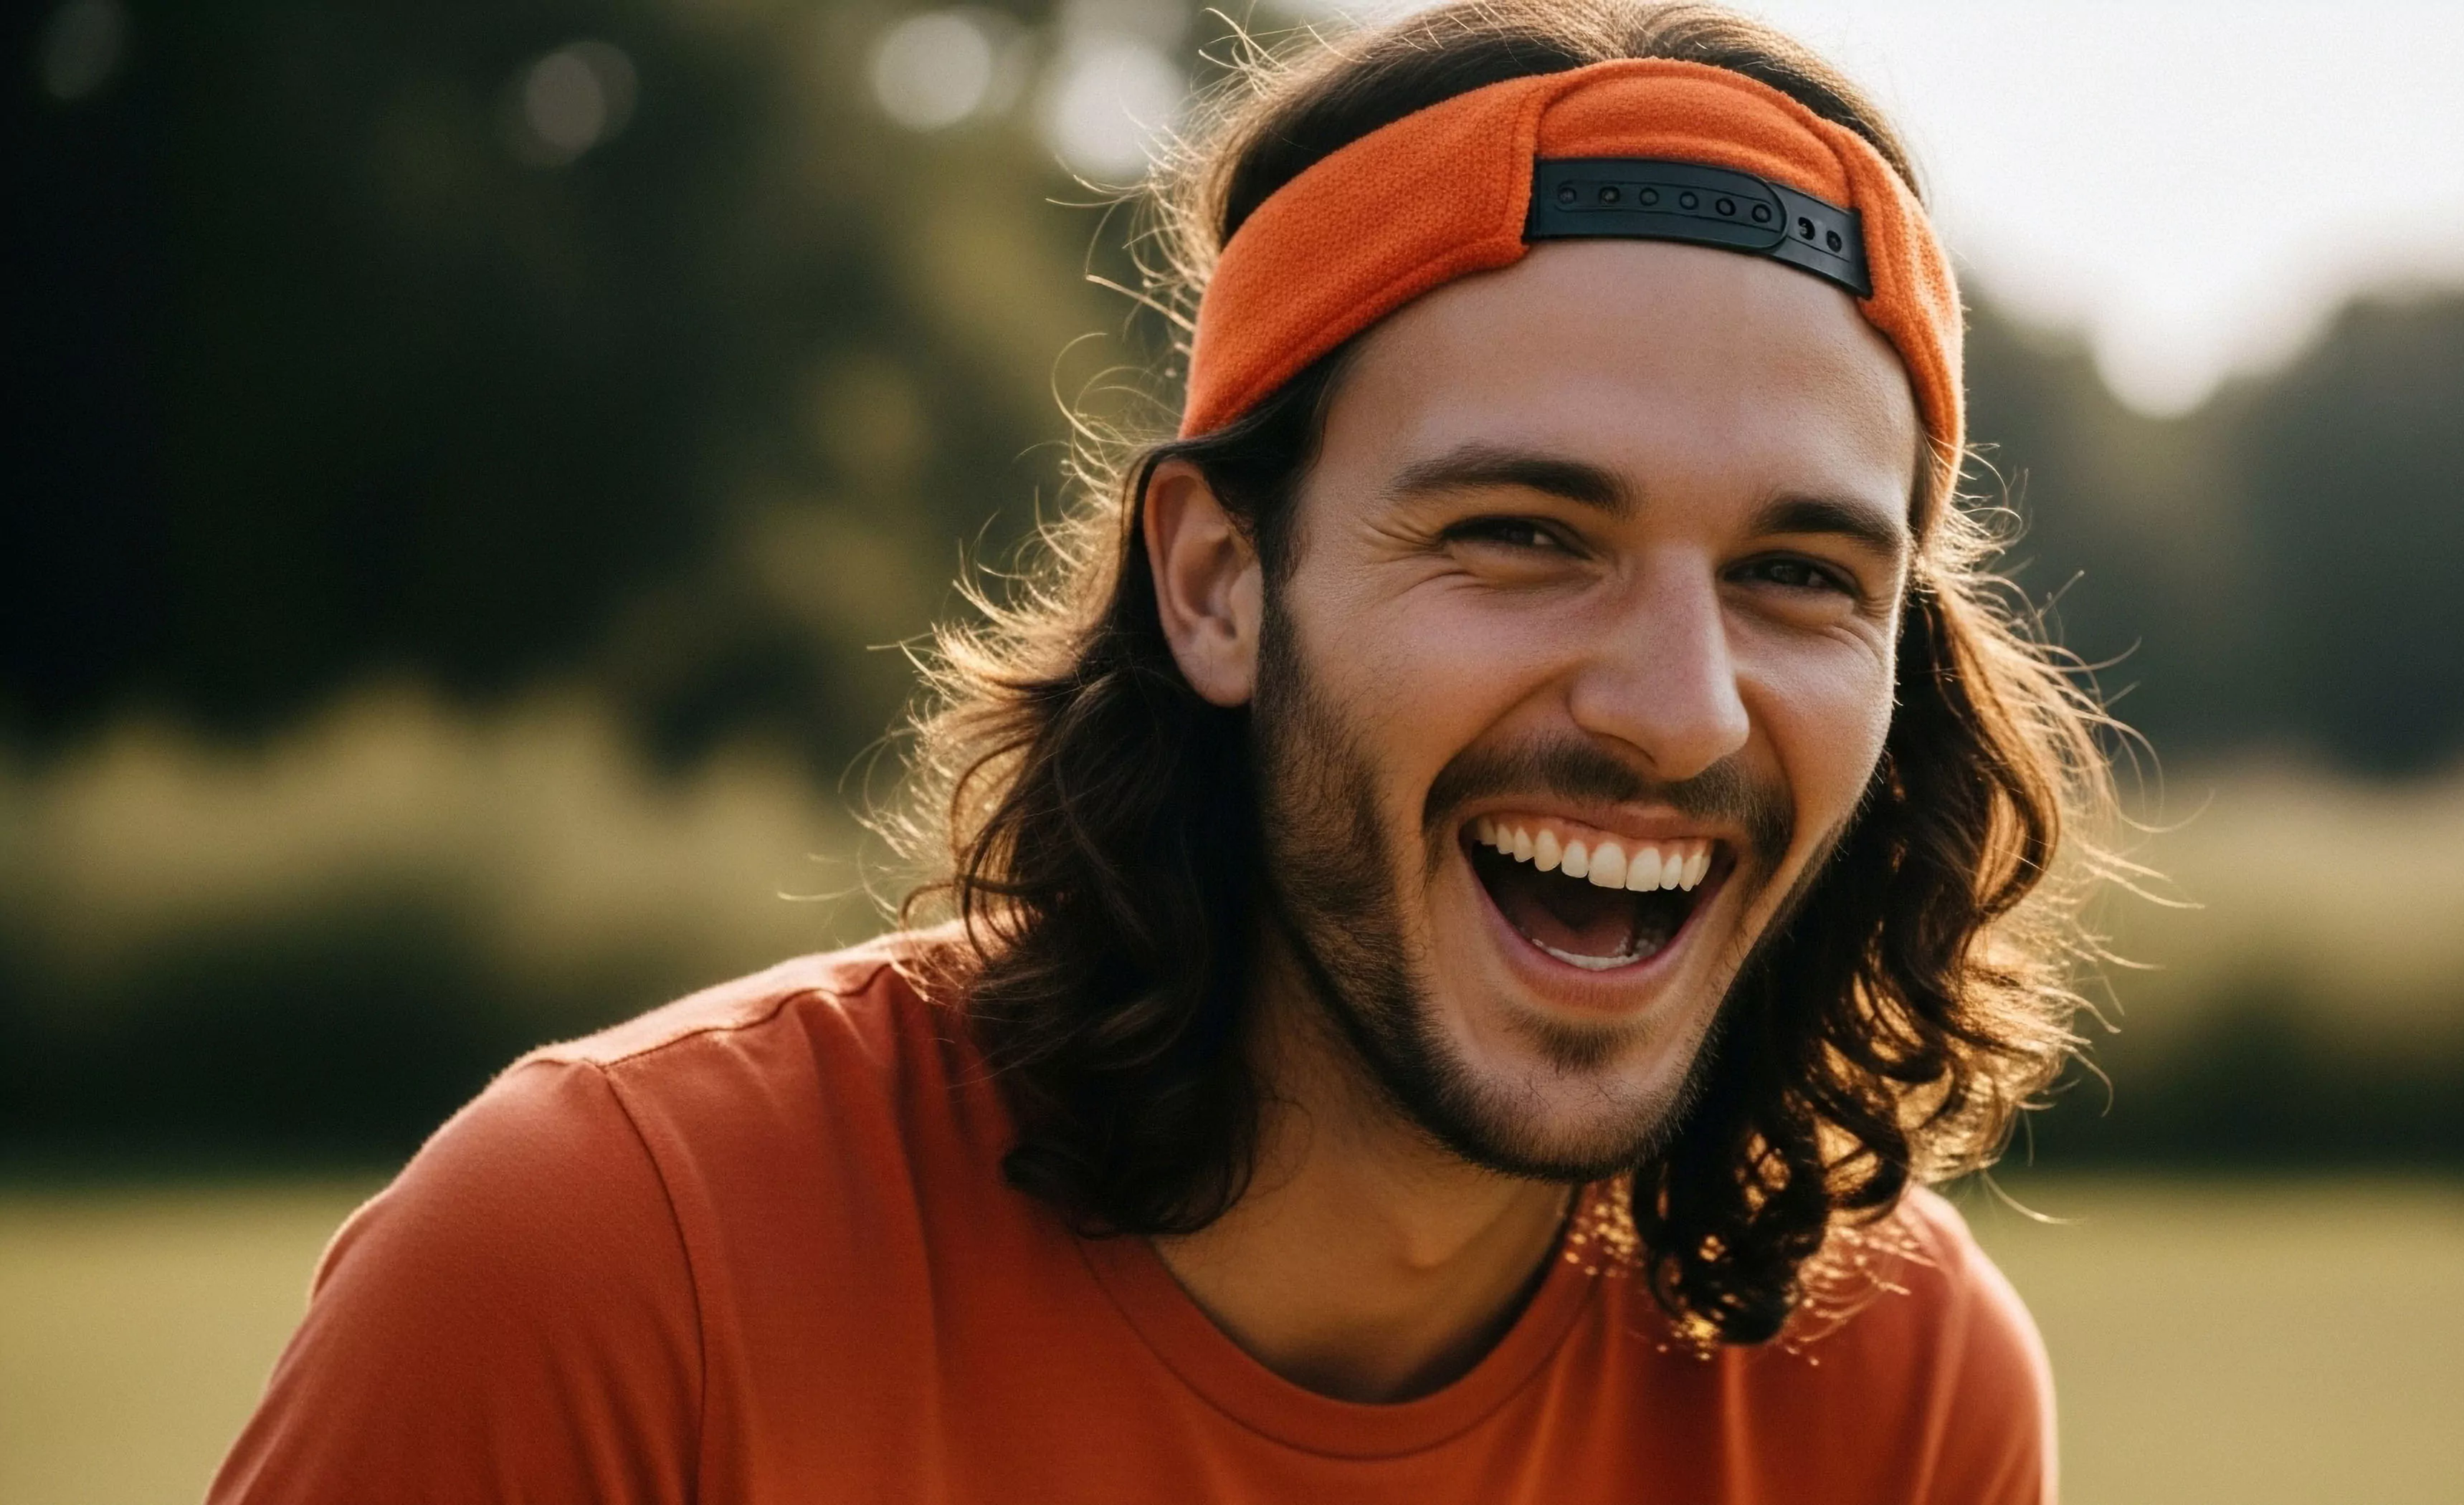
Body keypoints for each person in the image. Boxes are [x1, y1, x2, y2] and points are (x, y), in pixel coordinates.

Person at [212, 1, 2111, 1499]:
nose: (1682, 704)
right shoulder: (613, 1268)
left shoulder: (1896, 1395)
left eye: (1801, 575)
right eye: (1525, 533)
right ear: (1218, 584)